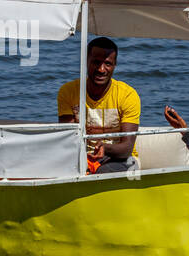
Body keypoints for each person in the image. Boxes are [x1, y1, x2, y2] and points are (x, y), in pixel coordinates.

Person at [57, 36, 140, 173]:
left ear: (115, 65)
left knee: (102, 172)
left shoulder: (127, 95)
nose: (101, 69)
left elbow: (127, 148)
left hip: (121, 159)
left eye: (107, 63)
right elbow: (68, 140)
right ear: (86, 61)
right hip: (81, 158)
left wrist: (105, 148)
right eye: (96, 62)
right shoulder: (68, 92)